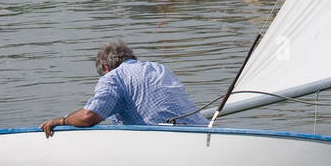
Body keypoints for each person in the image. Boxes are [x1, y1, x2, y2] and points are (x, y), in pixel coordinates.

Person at [40, 40, 206, 136]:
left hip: (169, 140)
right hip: (203, 130)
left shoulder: (114, 77)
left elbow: (88, 117)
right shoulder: (159, 68)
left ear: (105, 67)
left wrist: (60, 121)